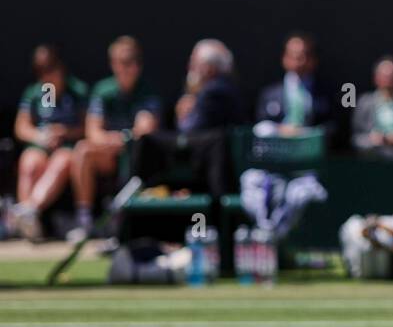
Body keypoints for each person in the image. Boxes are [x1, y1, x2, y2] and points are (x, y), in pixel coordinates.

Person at [69, 36, 160, 239]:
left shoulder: (147, 91)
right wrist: (118, 140)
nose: (130, 67)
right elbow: (92, 132)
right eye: (124, 62)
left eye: (134, 61)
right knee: (83, 150)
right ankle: (85, 222)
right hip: (109, 154)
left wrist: (122, 139)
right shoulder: (103, 90)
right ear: (114, 64)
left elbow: (145, 131)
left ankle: (123, 223)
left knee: (137, 153)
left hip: (137, 159)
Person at [130, 39, 242, 199]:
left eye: (194, 63)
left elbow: (188, 130)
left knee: (149, 141)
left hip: (209, 164)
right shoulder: (219, 87)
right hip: (206, 159)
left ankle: (132, 198)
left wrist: (184, 115)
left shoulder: (214, 91)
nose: (190, 68)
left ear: (209, 69)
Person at [8, 45, 88, 239]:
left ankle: (28, 210)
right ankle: (29, 226)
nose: (46, 75)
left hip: (68, 148)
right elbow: (22, 126)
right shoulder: (46, 91)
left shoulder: (76, 91)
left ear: (60, 67)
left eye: (49, 69)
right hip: (44, 147)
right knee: (30, 161)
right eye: (40, 71)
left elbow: (87, 127)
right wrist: (41, 136)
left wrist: (65, 133)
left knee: (61, 160)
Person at [254, 33, 332, 136]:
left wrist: (303, 132)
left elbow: (332, 125)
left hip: (311, 146)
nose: (299, 61)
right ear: (284, 58)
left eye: (304, 56)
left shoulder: (327, 92)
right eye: (293, 55)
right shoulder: (269, 93)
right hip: (277, 147)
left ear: (314, 59)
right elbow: (260, 125)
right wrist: (281, 129)